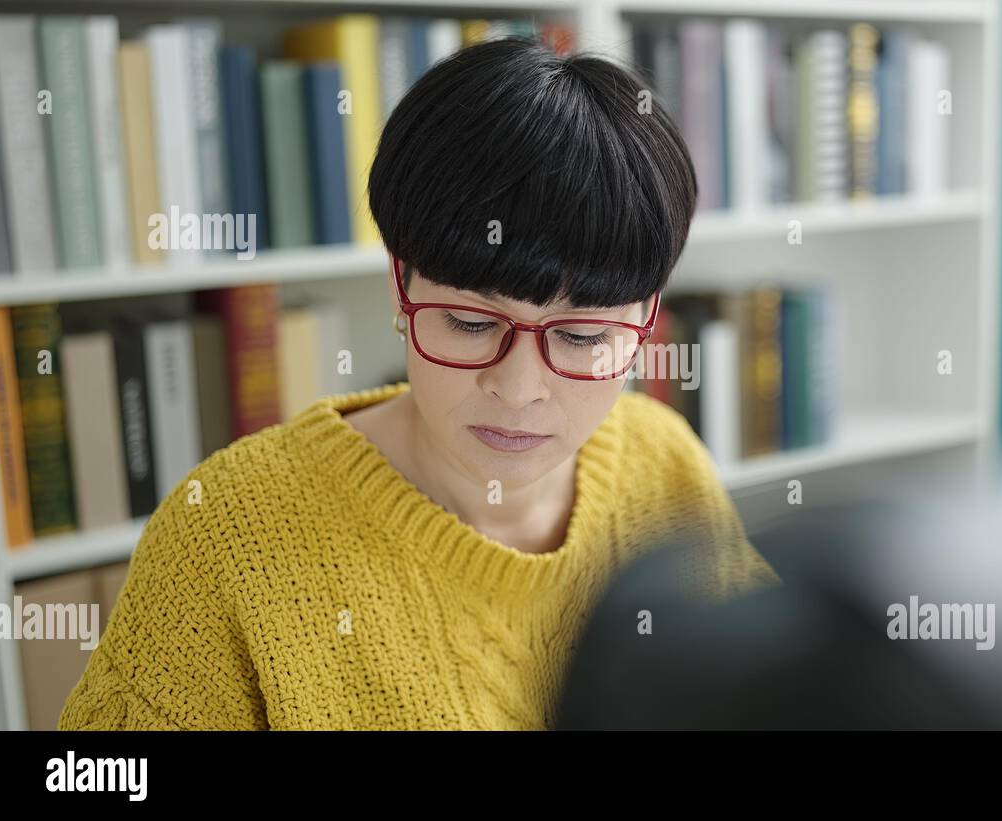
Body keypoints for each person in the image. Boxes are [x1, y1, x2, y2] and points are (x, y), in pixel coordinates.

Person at [59, 38, 778, 731]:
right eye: (468, 323)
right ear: (400, 283)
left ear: (647, 321)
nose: (519, 387)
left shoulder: (664, 464)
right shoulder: (224, 533)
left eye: (582, 337)